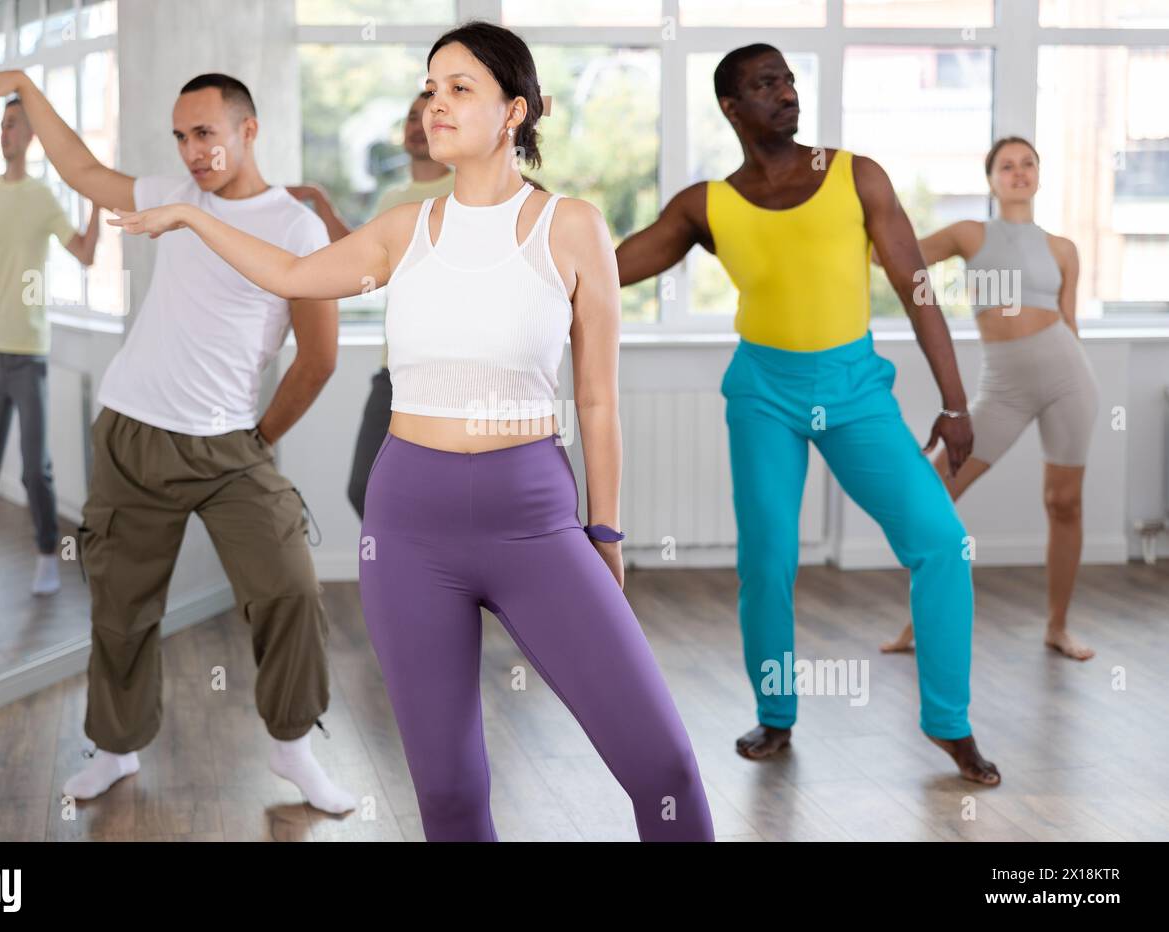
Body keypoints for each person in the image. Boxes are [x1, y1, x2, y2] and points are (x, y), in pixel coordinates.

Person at [105, 21, 715, 842]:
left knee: (663, 763)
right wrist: (191, 216)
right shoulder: (405, 232)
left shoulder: (571, 228)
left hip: (534, 515)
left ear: (514, 111)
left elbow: (598, 401)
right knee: (452, 790)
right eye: (431, 87)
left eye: (461, 87)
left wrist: (604, 531)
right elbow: (289, 274)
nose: (437, 103)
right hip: (409, 528)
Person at [0, 70, 355, 813]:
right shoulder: (175, 195)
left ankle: (292, 746)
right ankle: (117, 745)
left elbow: (320, 359)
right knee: (121, 605)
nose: (193, 151)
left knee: (291, 586)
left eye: (206, 134)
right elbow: (80, 170)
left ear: (246, 130)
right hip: (133, 430)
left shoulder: (297, 227)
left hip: (231, 448)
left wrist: (258, 439)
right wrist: (25, 85)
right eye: (181, 136)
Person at [615, 44, 1000, 785]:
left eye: (789, 80)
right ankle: (777, 712)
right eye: (766, 84)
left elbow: (918, 289)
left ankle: (949, 724)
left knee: (942, 544)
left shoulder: (857, 176)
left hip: (856, 392)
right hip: (765, 394)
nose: (786, 93)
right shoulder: (707, 204)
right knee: (767, 562)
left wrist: (955, 402)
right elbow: (607, 266)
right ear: (732, 108)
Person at [881, 137, 1098, 661]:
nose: (1019, 172)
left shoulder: (1063, 247)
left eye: (1028, 164)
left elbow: (1068, 321)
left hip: (1067, 376)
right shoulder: (969, 234)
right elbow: (893, 252)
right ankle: (918, 623)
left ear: (1039, 176)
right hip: (1001, 389)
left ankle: (1058, 627)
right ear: (991, 179)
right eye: (1007, 165)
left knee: (1063, 503)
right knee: (929, 493)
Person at [0, 95, 100, 602]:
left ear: (30, 136)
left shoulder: (43, 197)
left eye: (12, 125)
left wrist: (96, 199)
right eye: (1, 125)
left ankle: (48, 555)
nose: (3, 132)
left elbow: (86, 255)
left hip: (30, 354)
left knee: (34, 467)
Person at [288, 91, 454, 519]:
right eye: (411, 117)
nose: (417, 125)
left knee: (446, 495)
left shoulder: (466, 190)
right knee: (365, 488)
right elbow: (359, 259)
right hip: (394, 372)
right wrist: (321, 204)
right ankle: (410, 575)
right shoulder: (392, 199)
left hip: (452, 373)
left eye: (428, 116)